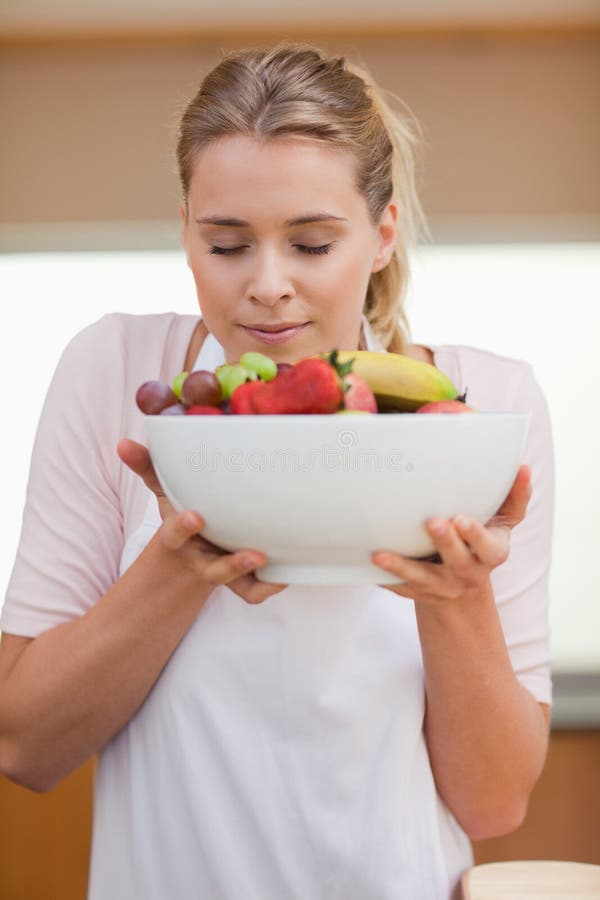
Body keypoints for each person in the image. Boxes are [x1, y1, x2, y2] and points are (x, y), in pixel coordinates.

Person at [0, 42, 554, 900]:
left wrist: (459, 599)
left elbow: (492, 806)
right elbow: (24, 750)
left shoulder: (484, 408)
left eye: (311, 243)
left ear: (381, 236)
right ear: (185, 232)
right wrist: (185, 560)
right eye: (227, 245)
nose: (267, 286)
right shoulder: (114, 373)